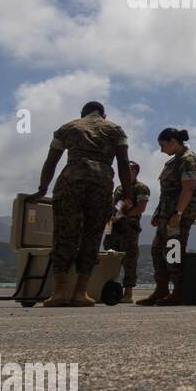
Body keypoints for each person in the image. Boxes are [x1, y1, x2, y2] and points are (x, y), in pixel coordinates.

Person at [34, 101, 133, 307]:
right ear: (104, 115)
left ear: (82, 113)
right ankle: (81, 292)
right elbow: (124, 162)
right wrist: (128, 193)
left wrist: (43, 188)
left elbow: (51, 161)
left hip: (71, 181)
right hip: (101, 182)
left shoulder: (67, 127)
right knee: (93, 234)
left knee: (64, 234)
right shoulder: (116, 130)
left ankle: (59, 291)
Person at [137, 128, 196, 307]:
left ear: (173, 141)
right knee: (157, 250)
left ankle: (179, 290)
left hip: (180, 215)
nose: (161, 150)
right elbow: (167, 192)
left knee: (173, 250)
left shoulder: (189, 160)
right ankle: (162, 289)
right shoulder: (171, 163)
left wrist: (178, 213)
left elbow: (188, 188)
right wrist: (159, 213)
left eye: (163, 145)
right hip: (167, 213)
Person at [103, 162, 150, 303]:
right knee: (110, 258)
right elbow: (116, 207)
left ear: (135, 171)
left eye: (127, 169)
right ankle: (108, 290)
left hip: (128, 229)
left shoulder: (141, 188)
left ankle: (128, 293)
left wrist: (124, 215)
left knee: (129, 260)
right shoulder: (119, 188)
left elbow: (141, 208)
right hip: (113, 228)